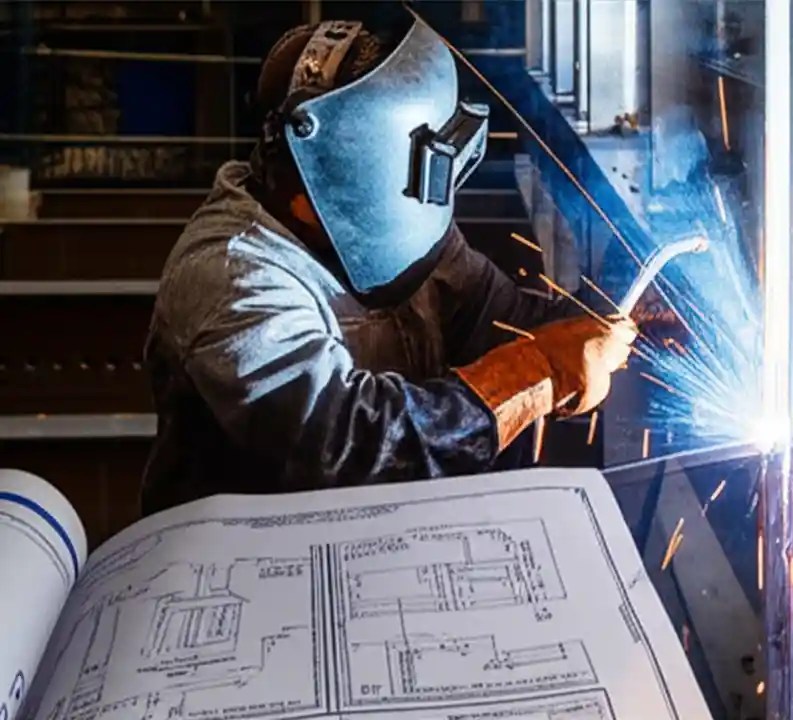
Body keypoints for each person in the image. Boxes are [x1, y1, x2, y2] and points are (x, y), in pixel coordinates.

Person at [139, 14, 636, 515]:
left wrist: (609, 324)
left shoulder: (403, 227)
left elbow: (501, 318)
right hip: (251, 551)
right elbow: (347, 449)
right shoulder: (232, 276)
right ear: (363, 173)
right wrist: (537, 372)